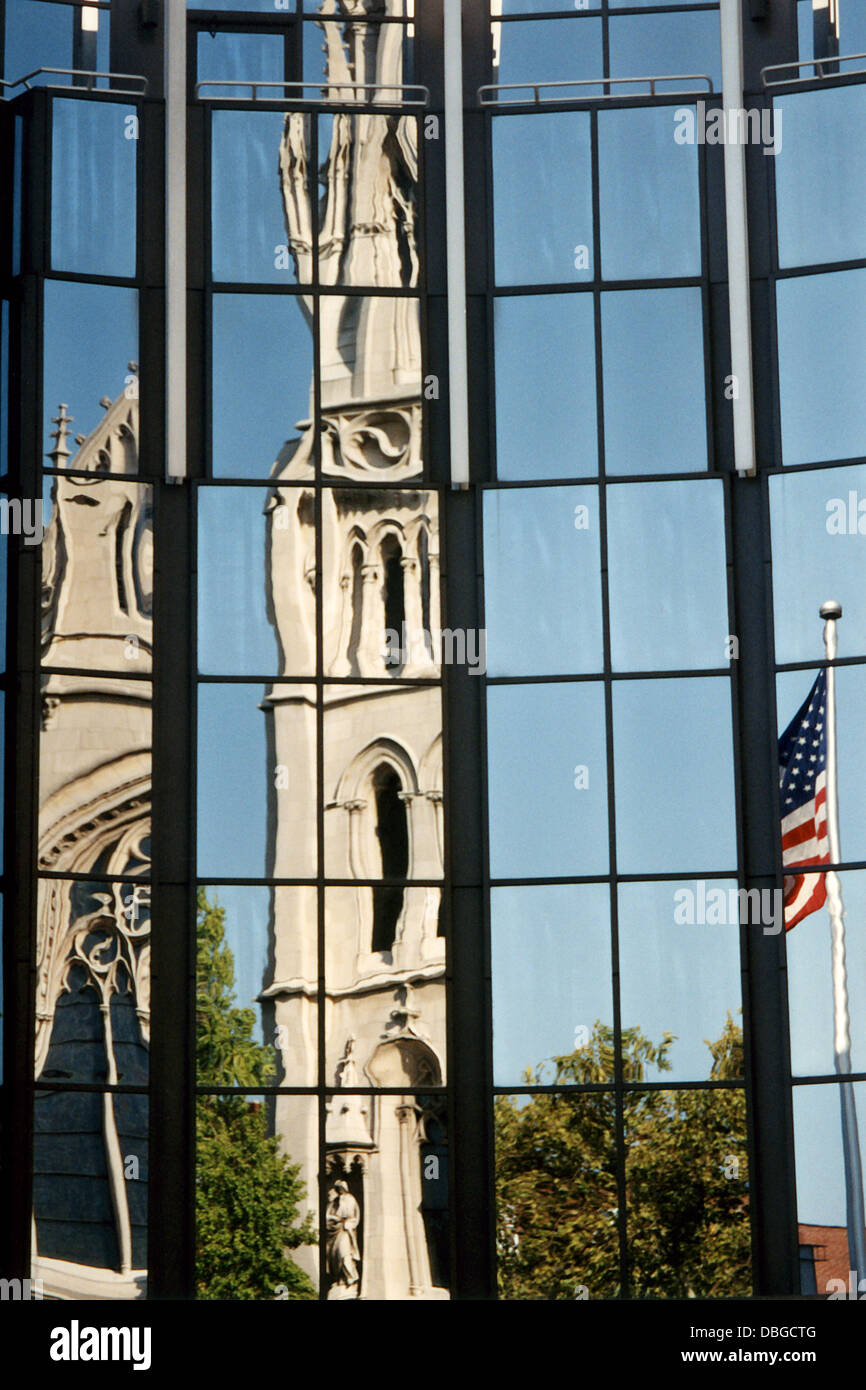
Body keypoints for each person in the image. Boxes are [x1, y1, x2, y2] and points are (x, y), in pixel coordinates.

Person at [326, 1181, 361, 1295]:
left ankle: (351, 1279)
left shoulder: (349, 1198)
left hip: (345, 1230)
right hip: (337, 1231)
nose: (340, 1191)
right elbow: (328, 1217)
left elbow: (350, 1215)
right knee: (336, 1256)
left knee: (345, 1254)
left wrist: (340, 1219)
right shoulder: (335, 1201)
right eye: (338, 1189)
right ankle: (341, 1280)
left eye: (341, 1188)